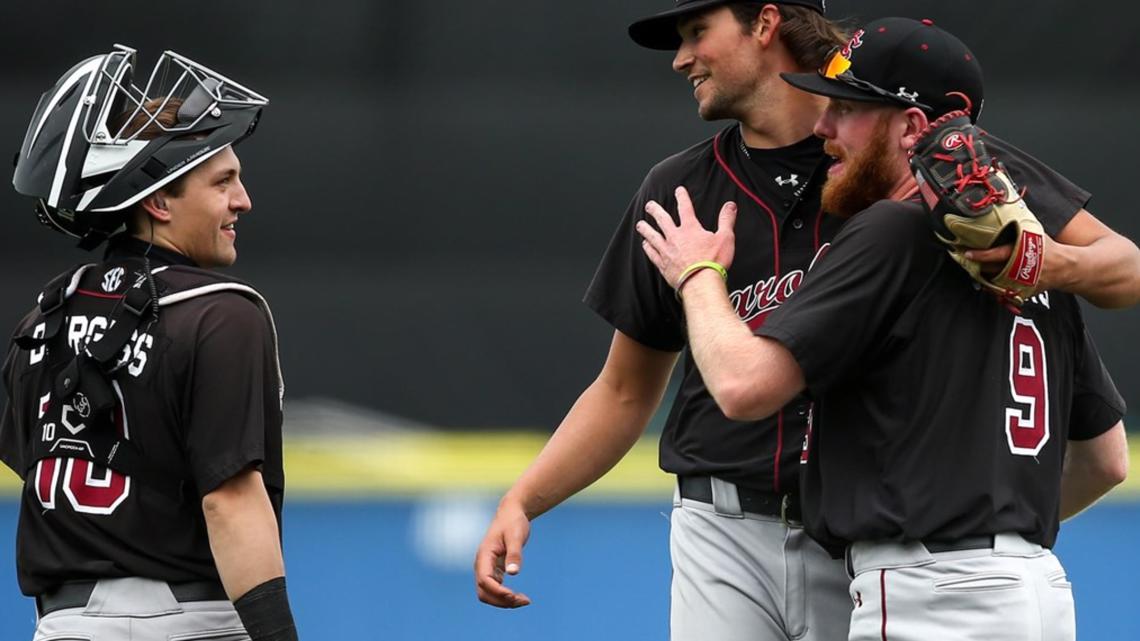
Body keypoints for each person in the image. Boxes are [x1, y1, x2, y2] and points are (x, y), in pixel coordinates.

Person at [474, 3, 1140, 640]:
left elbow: (1124, 266)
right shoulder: (685, 189)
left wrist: (1035, 260)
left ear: (765, 22)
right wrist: (526, 497)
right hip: (737, 527)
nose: (681, 58)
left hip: (865, 547)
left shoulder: (944, 173)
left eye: (698, 30)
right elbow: (624, 388)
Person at [2, 46, 298, 641]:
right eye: (224, 182)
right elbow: (230, 505)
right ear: (159, 201)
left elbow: (29, 460)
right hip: (190, 621)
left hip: (62, 626)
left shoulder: (44, 316)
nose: (243, 200)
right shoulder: (222, 313)